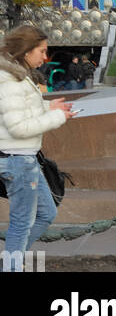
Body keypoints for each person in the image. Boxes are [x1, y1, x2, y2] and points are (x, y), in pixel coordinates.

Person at [0, 24, 77, 271]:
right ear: (25, 52)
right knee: (22, 223)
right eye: (42, 51)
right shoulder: (11, 81)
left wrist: (49, 109)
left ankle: (12, 260)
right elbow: (18, 127)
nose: (45, 57)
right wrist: (57, 118)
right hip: (18, 160)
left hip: (24, 159)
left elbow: (19, 113)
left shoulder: (18, 76)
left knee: (46, 213)